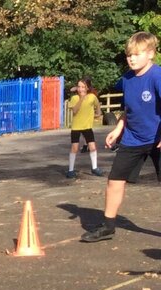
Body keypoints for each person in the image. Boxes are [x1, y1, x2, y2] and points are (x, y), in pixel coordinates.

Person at [81, 32, 161, 243]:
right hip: (134, 138)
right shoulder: (126, 80)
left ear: (150, 54)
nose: (131, 59)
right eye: (128, 55)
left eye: (137, 54)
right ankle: (108, 227)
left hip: (157, 138)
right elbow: (128, 109)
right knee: (115, 180)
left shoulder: (157, 76)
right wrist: (118, 130)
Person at [66, 77, 104, 178]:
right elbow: (74, 111)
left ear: (87, 88)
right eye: (79, 86)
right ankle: (70, 170)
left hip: (87, 127)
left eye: (83, 87)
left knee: (92, 147)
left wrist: (98, 113)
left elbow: (97, 105)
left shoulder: (92, 97)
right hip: (76, 127)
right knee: (74, 148)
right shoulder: (74, 98)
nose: (81, 89)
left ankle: (94, 168)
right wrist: (81, 99)